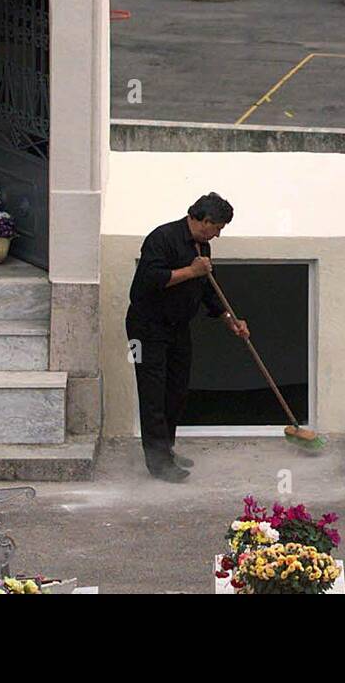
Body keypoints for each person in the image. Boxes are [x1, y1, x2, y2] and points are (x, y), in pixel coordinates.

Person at [125, 193, 249, 482]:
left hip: (178, 327)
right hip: (146, 328)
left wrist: (229, 318)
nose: (217, 234)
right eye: (217, 227)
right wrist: (191, 270)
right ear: (204, 220)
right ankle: (158, 463)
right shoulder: (162, 238)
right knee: (153, 391)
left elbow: (206, 289)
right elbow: (150, 281)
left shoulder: (202, 246)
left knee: (177, 390)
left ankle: (166, 449)